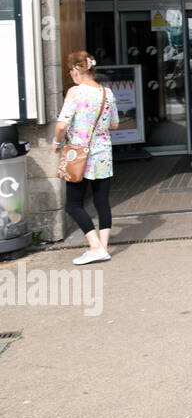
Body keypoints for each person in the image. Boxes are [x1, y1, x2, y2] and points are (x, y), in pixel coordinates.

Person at [51, 51, 119, 265]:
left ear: (76, 70)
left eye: (70, 71)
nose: (70, 75)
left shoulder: (75, 92)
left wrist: (55, 142)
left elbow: (62, 124)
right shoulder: (107, 92)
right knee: (101, 201)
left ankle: (95, 246)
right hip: (103, 154)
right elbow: (115, 124)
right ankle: (104, 248)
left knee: (73, 204)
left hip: (79, 156)